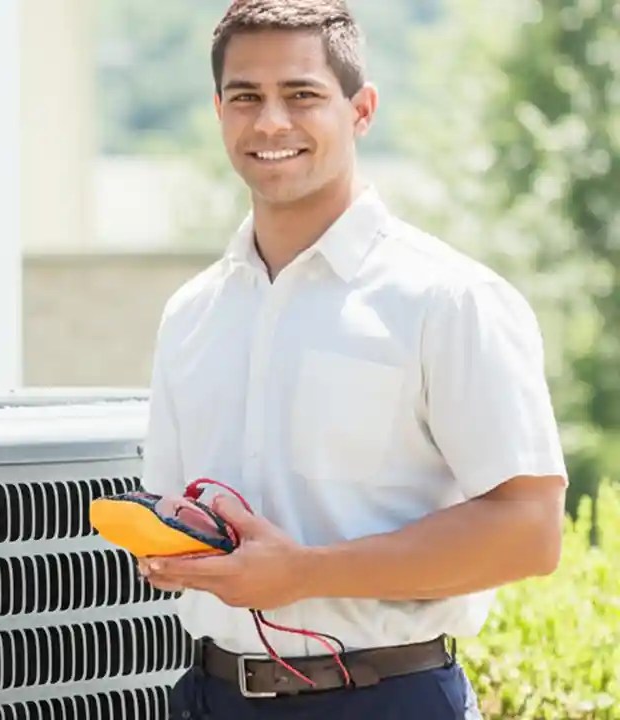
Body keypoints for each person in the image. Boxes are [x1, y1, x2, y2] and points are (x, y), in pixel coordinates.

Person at [133, 1, 569, 718]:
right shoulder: (191, 313)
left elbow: (530, 531)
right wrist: (173, 547)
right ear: (219, 112)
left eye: (301, 95)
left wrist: (302, 575)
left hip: (385, 699)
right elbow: (177, 507)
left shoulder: (450, 299)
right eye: (245, 97)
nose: (270, 122)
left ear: (361, 110)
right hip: (208, 699)